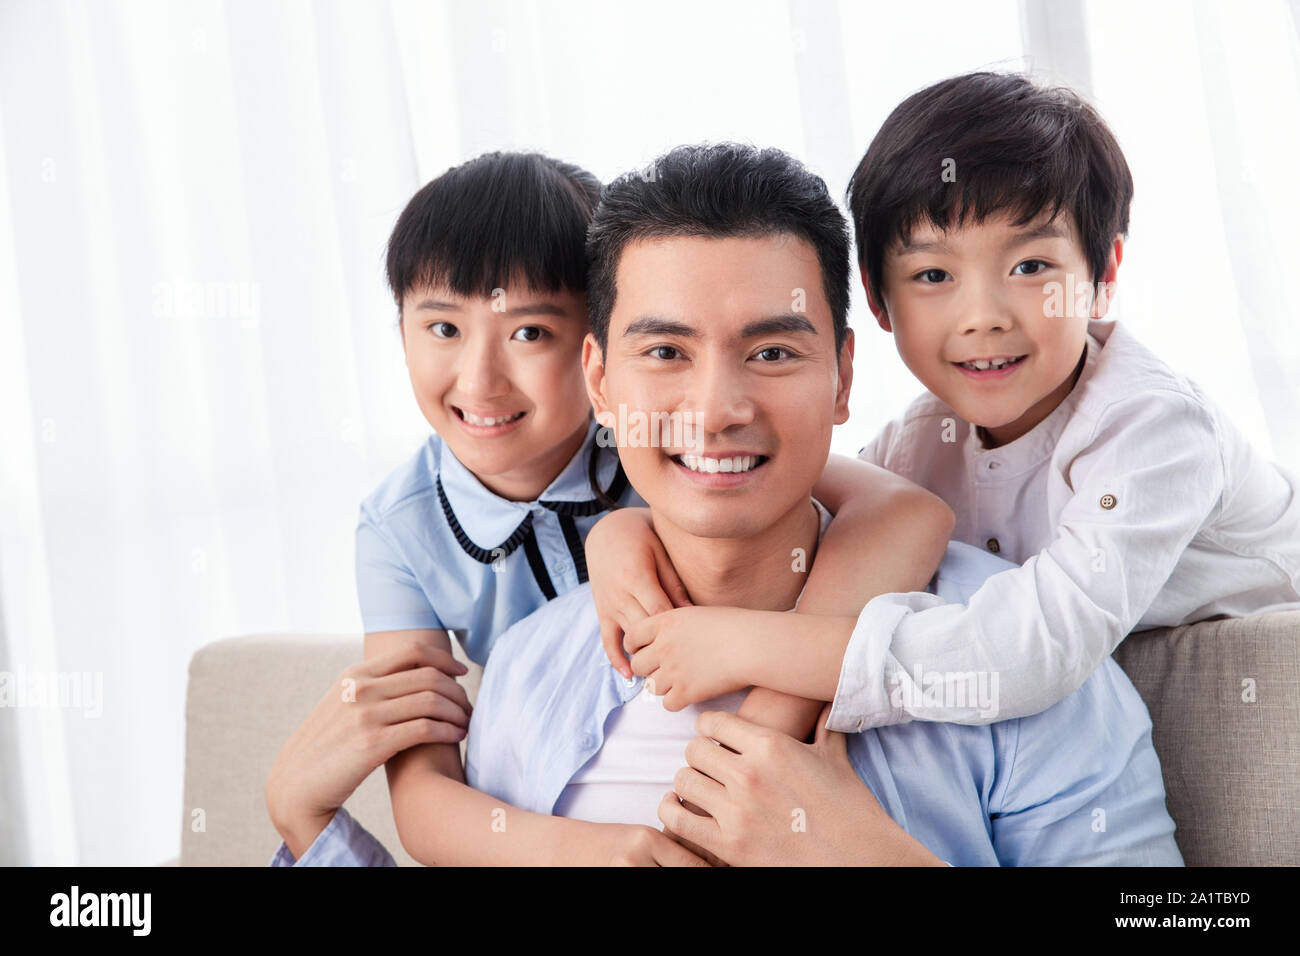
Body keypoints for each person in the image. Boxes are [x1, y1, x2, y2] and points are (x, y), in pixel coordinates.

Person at [275, 144, 1183, 866]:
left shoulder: (1017, 663)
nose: (716, 410)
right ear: (599, 380)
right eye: (665, 353)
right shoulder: (527, 675)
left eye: (774, 353)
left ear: (844, 377)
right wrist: (309, 823)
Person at [595, 71, 1300, 743]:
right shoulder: (922, 441)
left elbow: (1028, 655)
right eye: (933, 274)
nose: (982, 317)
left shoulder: (1155, 428)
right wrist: (619, 533)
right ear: (877, 300)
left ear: (1103, 274)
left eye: (1030, 267)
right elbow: (800, 476)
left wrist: (753, 646)